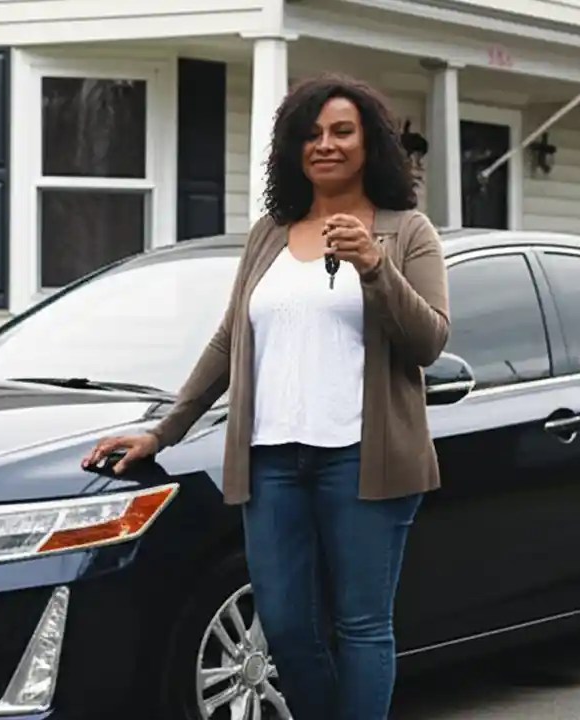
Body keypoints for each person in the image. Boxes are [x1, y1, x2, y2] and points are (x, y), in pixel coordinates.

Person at [82, 72, 450, 720]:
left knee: (362, 625)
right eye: (310, 134)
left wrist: (373, 265)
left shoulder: (406, 231)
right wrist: (163, 431)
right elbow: (230, 342)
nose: (326, 145)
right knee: (283, 624)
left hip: (364, 460)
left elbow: (428, 341)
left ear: (370, 144)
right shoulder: (269, 234)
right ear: (292, 149)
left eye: (342, 131)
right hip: (272, 461)